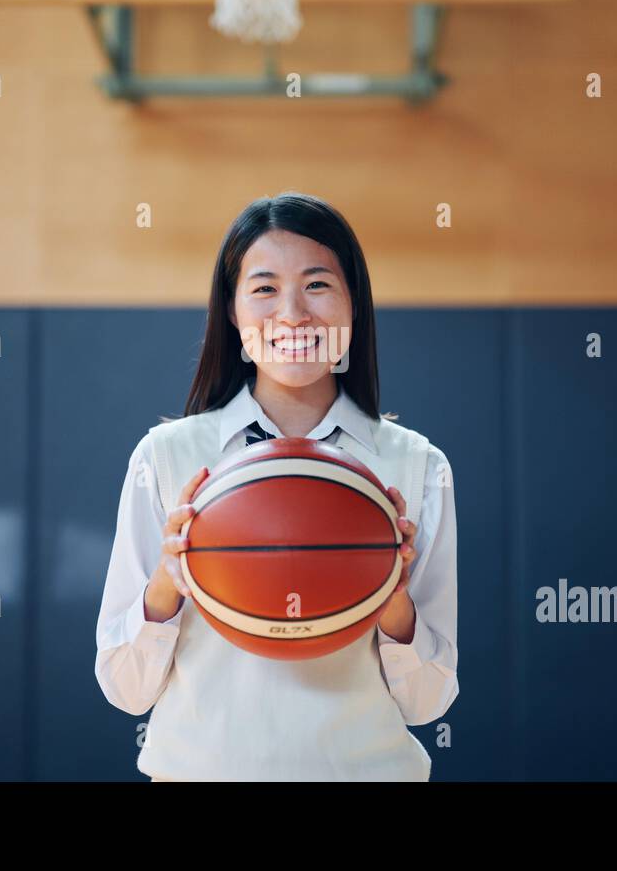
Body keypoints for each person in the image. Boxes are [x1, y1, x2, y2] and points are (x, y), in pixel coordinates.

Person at [94, 191, 458, 781]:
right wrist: (167, 582)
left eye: (317, 285)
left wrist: (391, 598)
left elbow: (429, 704)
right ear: (233, 312)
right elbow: (125, 687)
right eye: (264, 288)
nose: (292, 313)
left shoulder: (417, 465)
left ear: (353, 305)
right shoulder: (167, 456)